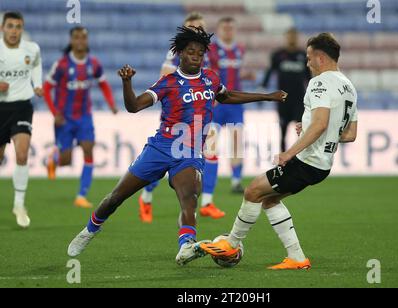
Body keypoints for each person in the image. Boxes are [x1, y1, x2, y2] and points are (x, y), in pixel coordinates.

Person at [67, 26, 287, 266]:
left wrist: (266, 96)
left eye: (201, 53)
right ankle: (89, 230)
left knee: (189, 196)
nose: (196, 56)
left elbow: (226, 95)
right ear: (180, 53)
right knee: (116, 197)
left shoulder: (210, 78)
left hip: (189, 153)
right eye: (191, 51)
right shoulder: (168, 82)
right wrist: (127, 83)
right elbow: (133, 106)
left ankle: (186, 246)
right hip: (160, 148)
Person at [200, 33, 358, 270]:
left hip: (306, 161)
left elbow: (321, 124)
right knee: (270, 200)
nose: (307, 64)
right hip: (322, 164)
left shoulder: (320, 82)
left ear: (320, 57)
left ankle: (232, 244)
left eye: (308, 58)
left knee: (253, 190)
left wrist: (289, 153)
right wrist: (312, 129)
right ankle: (296, 257)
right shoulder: (349, 86)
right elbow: (349, 134)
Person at [138, 11, 209, 224]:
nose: (197, 30)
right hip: (177, 115)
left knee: (195, 159)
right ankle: (147, 195)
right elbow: (165, 76)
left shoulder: (206, 52)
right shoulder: (175, 53)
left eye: (200, 27)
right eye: (193, 27)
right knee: (169, 158)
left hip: (198, 115)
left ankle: (200, 205)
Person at [43, 26, 118, 209]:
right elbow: (46, 88)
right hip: (65, 119)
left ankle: (81, 195)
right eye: (76, 38)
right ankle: (53, 160)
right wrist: (55, 113)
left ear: (87, 40)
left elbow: (104, 84)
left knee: (88, 149)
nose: (80, 41)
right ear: (71, 41)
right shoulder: (61, 65)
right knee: (66, 160)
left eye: (83, 37)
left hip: (85, 116)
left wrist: (111, 103)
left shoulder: (93, 64)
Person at [200, 16, 256, 220]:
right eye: (225, 28)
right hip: (216, 103)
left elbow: (235, 73)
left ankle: (236, 180)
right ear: (219, 29)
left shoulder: (240, 49)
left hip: (235, 104)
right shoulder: (211, 49)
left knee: (236, 142)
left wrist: (246, 77)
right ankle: (205, 184)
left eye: (231, 28)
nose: (228, 31)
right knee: (211, 144)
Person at [0, 11, 43, 228]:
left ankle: (19, 205)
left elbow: (36, 64)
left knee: (22, 153)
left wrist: (37, 84)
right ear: (2, 28)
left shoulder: (31, 48)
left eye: (18, 27)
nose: (14, 31)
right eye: (10, 26)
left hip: (21, 107)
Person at [262, 28, 311, 152]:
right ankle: (282, 157)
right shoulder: (278, 55)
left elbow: (309, 77)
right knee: (282, 129)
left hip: (299, 99)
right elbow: (270, 71)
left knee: (301, 130)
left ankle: (301, 156)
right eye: (289, 36)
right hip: (283, 99)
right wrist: (263, 86)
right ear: (286, 38)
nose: (292, 39)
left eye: (294, 36)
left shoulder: (303, 56)